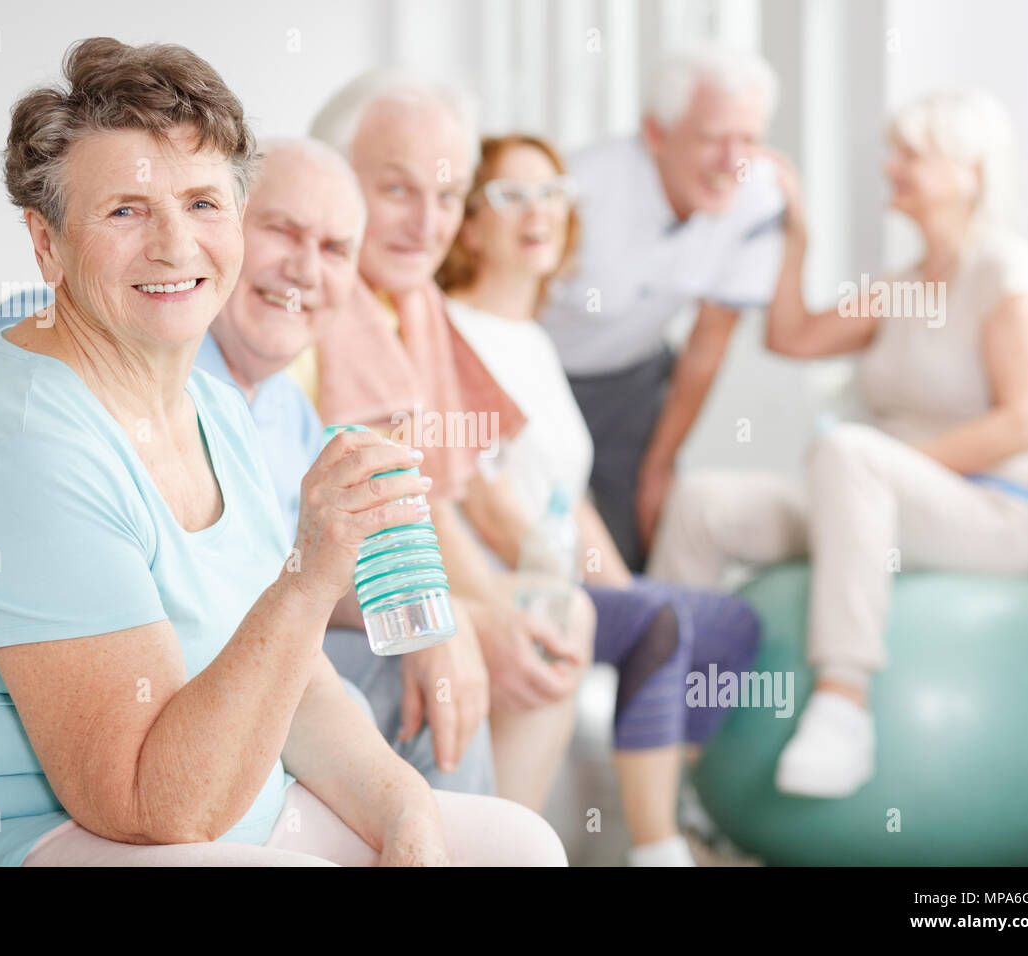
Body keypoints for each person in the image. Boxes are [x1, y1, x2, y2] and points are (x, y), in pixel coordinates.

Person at [0, 38, 565, 866]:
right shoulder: (25, 444)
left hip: (188, 811)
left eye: (203, 202)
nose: (173, 244)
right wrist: (309, 574)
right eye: (125, 209)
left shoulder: (213, 403)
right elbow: (152, 807)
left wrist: (406, 811)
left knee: (517, 845)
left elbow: (294, 683)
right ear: (46, 242)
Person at [650, 90, 1028, 799]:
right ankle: (666, 736)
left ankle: (845, 708)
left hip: (986, 515)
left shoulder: (1009, 273)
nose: (891, 165)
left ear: (971, 170)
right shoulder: (904, 287)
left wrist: (887, 474)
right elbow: (793, 336)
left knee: (849, 450)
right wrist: (796, 238)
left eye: (912, 153)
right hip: (871, 502)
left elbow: (1026, 421)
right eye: (893, 150)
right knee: (701, 502)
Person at [438, 133, 761, 866]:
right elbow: (481, 501)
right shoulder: (448, 329)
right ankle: (658, 849)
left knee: (728, 622)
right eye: (512, 196)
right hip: (506, 576)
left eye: (553, 193)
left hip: (562, 564)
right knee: (658, 620)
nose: (539, 212)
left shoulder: (535, 341)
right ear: (469, 223)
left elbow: (570, 497)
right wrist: (608, 597)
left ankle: (669, 801)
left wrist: (617, 584)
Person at [297, 69, 599, 817]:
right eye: (396, 190)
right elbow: (387, 513)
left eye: (447, 195)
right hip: (330, 601)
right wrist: (478, 611)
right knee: (490, 632)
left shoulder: (415, 306)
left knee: (557, 615)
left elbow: (453, 486)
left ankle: (509, 840)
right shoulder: (307, 307)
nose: (426, 223)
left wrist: (508, 590)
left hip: (378, 583)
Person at [539, 46, 786, 571]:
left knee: (637, 538)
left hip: (632, 384)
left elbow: (706, 347)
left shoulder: (759, 199)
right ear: (656, 135)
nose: (732, 161)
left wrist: (659, 467)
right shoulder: (578, 190)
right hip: (540, 377)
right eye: (713, 138)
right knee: (546, 539)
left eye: (749, 140)